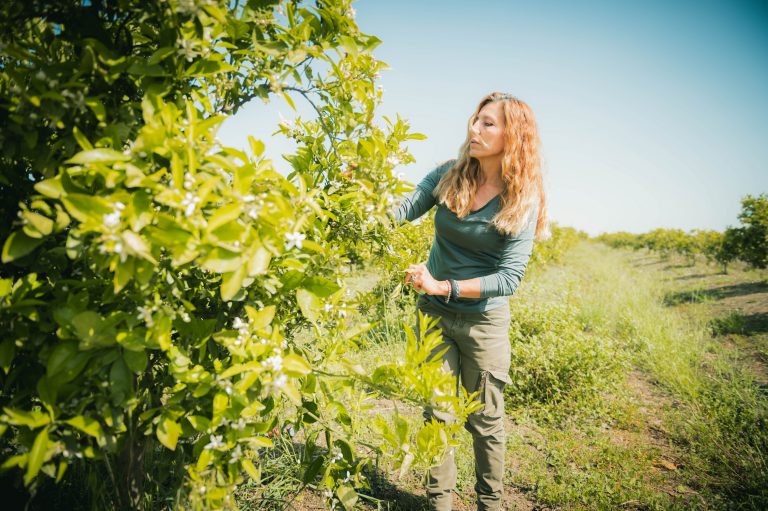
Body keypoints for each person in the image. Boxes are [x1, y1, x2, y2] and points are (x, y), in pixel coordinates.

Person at [388, 92, 549, 511]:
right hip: (434, 317)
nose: (474, 129)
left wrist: (444, 286)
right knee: (438, 416)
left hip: (483, 324)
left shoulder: (521, 198)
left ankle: (489, 505)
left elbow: (509, 279)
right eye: (475, 120)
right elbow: (402, 210)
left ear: (513, 135)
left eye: (488, 123)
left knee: (485, 422)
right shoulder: (449, 175)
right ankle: (439, 504)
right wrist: (361, 197)